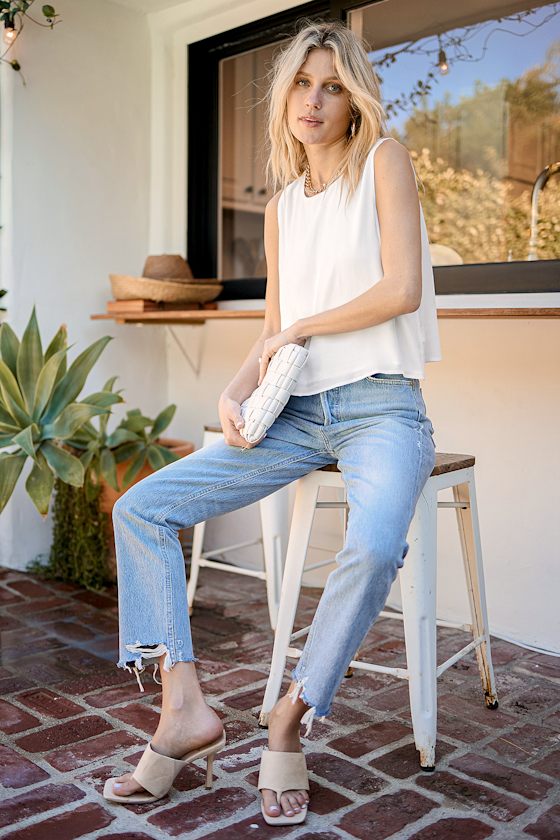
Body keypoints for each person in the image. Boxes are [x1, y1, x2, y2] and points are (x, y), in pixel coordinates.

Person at [102, 18, 441, 827]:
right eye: (300, 83)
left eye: (331, 85)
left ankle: (291, 717)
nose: (314, 100)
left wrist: (297, 333)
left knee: (372, 541)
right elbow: (274, 327)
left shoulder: (383, 163)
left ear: (354, 97)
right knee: (141, 508)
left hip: (381, 406)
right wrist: (237, 386)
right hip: (292, 408)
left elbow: (402, 290)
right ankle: (183, 709)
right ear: (283, 95)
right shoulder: (285, 205)